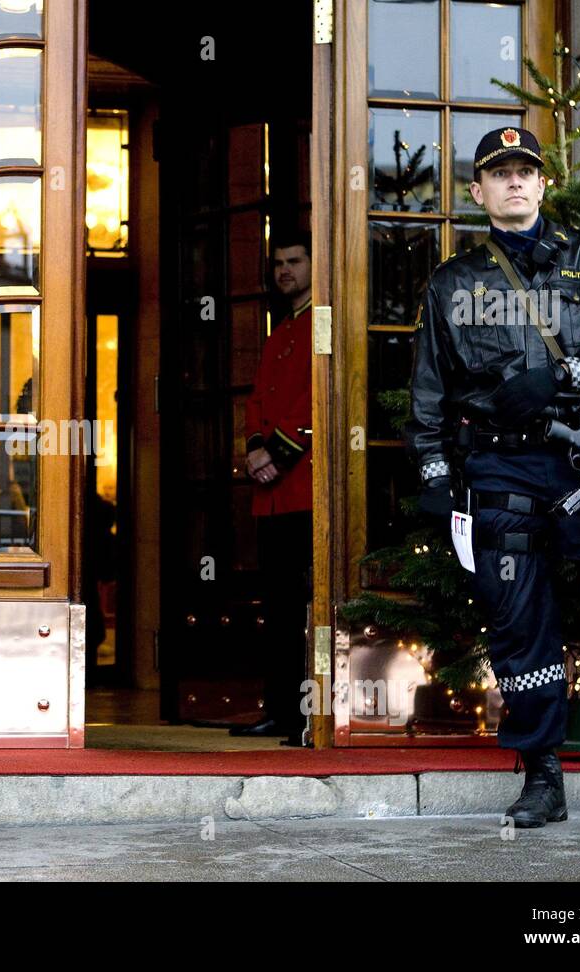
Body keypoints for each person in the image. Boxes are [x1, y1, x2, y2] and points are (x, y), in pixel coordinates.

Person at [404, 126, 580, 838]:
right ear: (478, 191)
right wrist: (436, 472)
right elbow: (429, 391)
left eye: (526, 171)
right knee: (518, 622)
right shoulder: (453, 284)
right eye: (500, 174)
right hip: (502, 466)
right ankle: (541, 777)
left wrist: (561, 374)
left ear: (543, 183)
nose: (515, 182)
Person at [231, 232, 313, 744]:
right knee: (278, 610)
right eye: (279, 262)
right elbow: (258, 400)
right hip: (272, 495)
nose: (285, 269)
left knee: (305, 609)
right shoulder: (278, 331)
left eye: (295, 260)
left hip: (304, 489)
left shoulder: (318, 325)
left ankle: (305, 714)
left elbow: (314, 404)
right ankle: (280, 709)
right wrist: (255, 450)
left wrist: (276, 456)